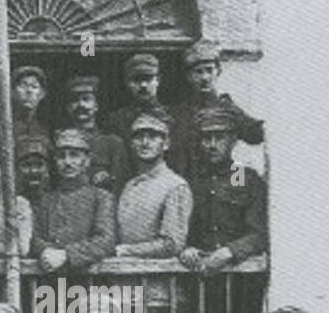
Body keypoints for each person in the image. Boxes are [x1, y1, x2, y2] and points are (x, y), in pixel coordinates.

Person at [116, 112, 193, 313]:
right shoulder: (130, 186)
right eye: (139, 137)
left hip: (158, 296)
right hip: (127, 293)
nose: (145, 142)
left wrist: (124, 251)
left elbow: (172, 243)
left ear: (166, 144)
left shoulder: (174, 185)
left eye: (153, 136)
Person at [179, 106, 268, 273]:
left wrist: (231, 251)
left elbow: (259, 233)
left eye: (219, 138)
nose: (212, 145)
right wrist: (187, 248)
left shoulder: (241, 176)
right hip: (198, 277)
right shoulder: (191, 181)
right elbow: (183, 230)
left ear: (233, 140)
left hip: (240, 279)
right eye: (206, 138)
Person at [168, 40, 265, 183]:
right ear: (188, 76)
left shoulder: (229, 110)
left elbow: (256, 136)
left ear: (218, 72)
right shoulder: (178, 114)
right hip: (190, 184)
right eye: (198, 72)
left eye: (209, 70)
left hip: (223, 184)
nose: (205, 78)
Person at [30, 128, 117, 273]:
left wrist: (67, 254)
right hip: (50, 281)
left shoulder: (101, 197)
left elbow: (105, 241)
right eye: (61, 156)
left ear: (87, 160)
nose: (67, 162)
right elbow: (33, 237)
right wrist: (45, 251)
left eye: (74, 155)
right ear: (55, 161)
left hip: (90, 283)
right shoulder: (45, 200)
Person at [102, 53, 175, 169]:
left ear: (158, 80)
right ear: (127, 83)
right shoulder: (116, 120)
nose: (143, 85)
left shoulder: (173, 117)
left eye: (148, 79)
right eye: (136, 80)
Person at [63, 75, 129, 194]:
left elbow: (120, 186)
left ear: (96, 106)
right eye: (74, 100)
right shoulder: (59, 142)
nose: (80, 105)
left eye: (86, 99)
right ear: (68, 108)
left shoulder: (112, 143)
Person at [0, 65, 51, 150]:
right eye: (23, 85)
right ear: (12, 92)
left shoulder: (44, 131)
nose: (29, 91)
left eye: (34, 86)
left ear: (42, 94)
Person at [15, 135, 53, 205]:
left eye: (39, 165)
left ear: (48, 167)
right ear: (16, 169)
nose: (33, 171)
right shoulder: (10, 205)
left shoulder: (57, 203)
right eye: (26, 165)